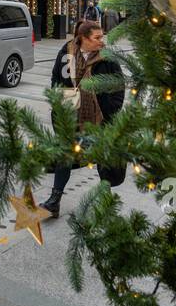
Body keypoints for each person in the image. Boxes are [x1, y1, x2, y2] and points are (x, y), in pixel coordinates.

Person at [41, 19, 126, 217]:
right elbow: (56, 78)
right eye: (97, 38)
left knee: (102, 158)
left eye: (102, 37)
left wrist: (110, 110)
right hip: (70, 116)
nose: (101, 41)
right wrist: (58, 98)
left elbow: (119, 86)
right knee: (65, 155)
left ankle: (105, 200)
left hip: (100, 118)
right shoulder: (67, 53)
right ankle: (55, 201)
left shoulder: (107, 58)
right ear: (83, 39)